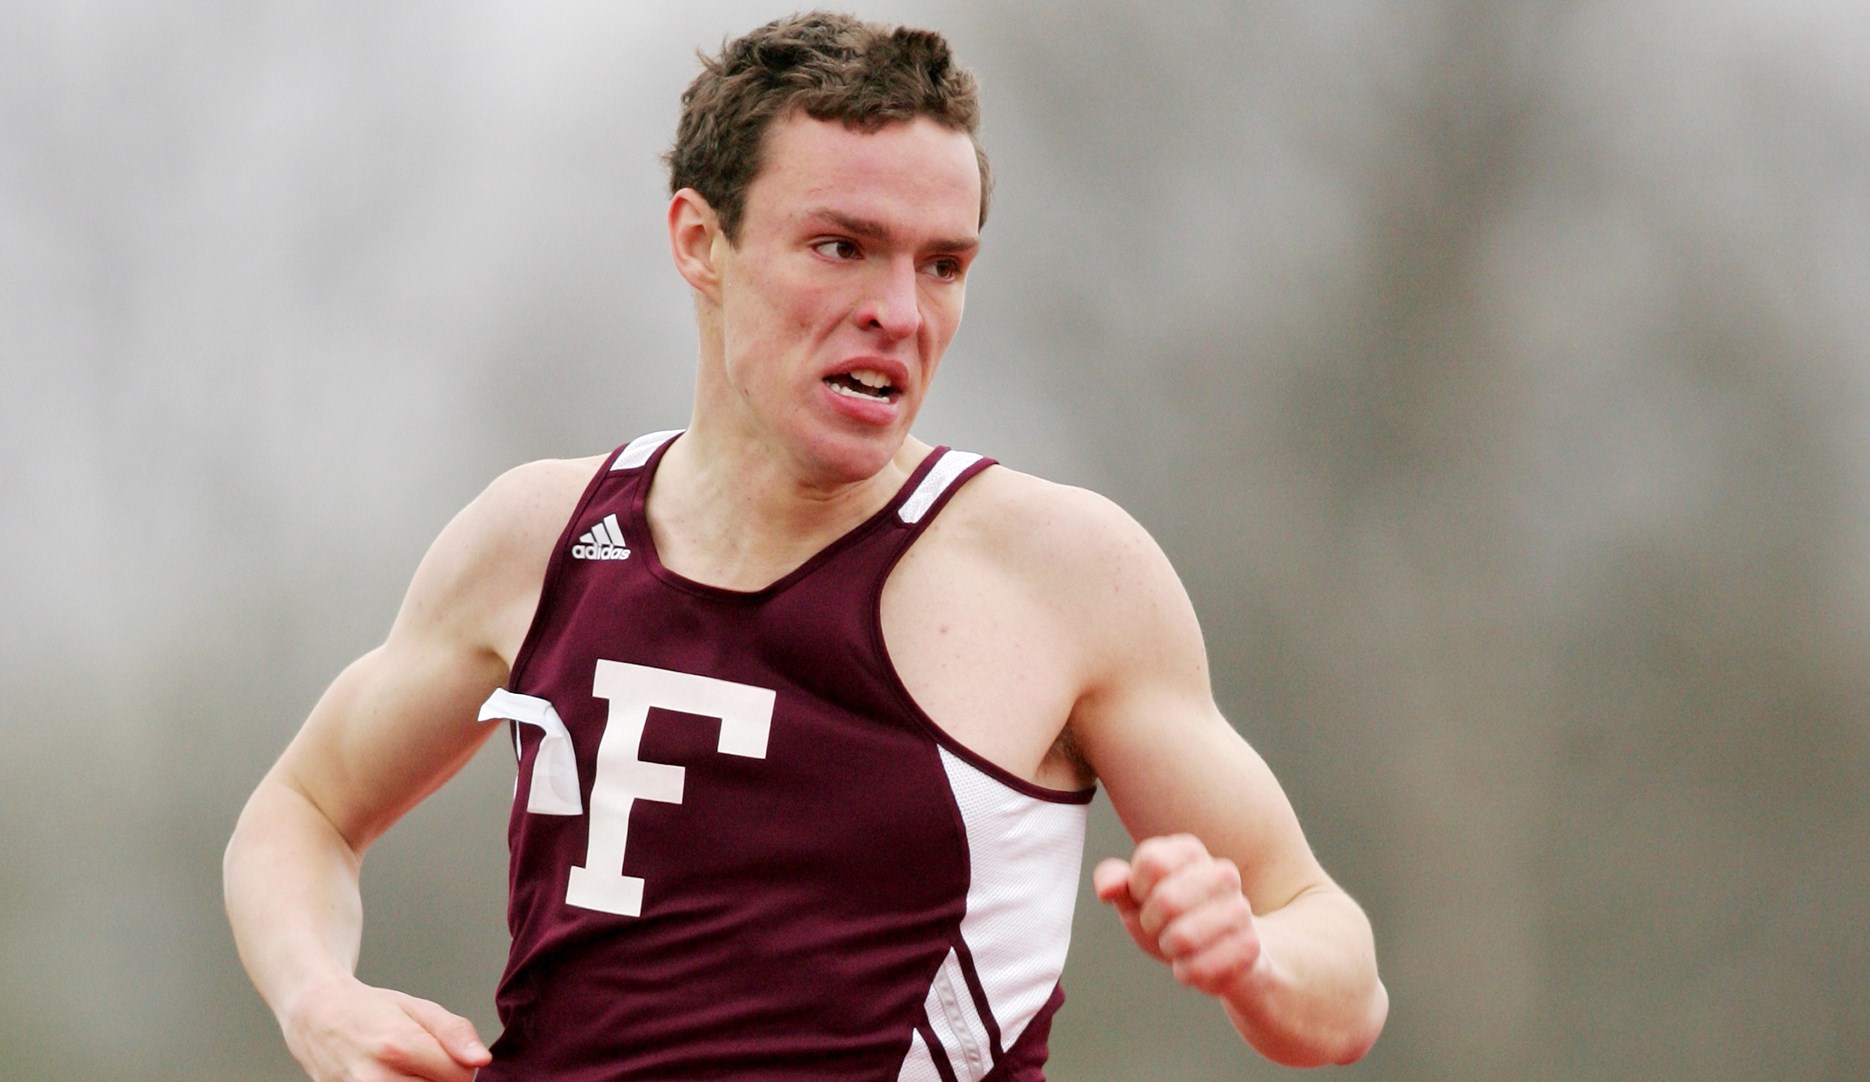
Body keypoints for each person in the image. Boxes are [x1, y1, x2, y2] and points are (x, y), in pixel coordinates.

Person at [223, 11, 1387, 1080]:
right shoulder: (541, 537)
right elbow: (304, 807)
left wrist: (1253, 957)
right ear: (699, 239)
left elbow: (1335, 974)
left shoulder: (1059, 572)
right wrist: (318, 996)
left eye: (943, 263)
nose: (900, 308)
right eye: (843, 245)